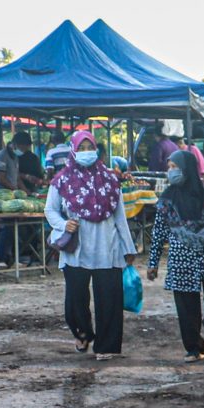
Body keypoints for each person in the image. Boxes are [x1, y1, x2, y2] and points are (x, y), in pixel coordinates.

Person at [45, 129, 138, 358]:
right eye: (82, 148)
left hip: (108, 247)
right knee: (75, 300)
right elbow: (50, 209)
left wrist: (128, 247)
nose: (87, 152)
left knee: (109, 299)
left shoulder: (109, 180)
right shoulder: (62, 180)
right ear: (74, 151)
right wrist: (62, 224)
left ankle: (107, 347)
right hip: (77, 248)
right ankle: (83, 333)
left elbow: (120, 217)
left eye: (90, 148)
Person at [146, 146, 204, 360]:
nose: (171, 171)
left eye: (175, 167)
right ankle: (193, 347)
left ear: (188, 168)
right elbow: (159, 232)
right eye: (169, 167)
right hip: (182, 258)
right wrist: (153, 263)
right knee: (186, 307)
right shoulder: (167, 198)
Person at [0, 131, 42, 267]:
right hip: (3, 197)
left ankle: (11, 258)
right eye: (23, 148)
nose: (24, 151)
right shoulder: (1, 156)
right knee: (7, 228)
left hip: (13, 197)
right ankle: (1, 259)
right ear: (16, 144)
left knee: (14, 228)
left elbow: (17, 177)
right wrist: (14, 189)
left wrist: (26, 192)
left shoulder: (15, 157)